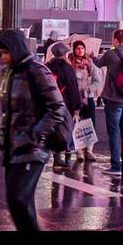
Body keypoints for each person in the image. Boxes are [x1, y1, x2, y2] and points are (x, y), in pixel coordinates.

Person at [0, 29, 67, 231]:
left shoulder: (37, 70)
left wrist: (36, 134)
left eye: (6, 52)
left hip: (32, 148)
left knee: (19, 199)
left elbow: (57, 107)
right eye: (1, 53)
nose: (3, 57)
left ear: (15, 49)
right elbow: (9, 111)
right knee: (18, 202)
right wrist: (3, 136)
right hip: (14, 147)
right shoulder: (10, 73)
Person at [96, 29, 123, 183]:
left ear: (115, 40)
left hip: (113, 99)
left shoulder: (111, 54)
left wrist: (90, 56)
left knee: (114, 132)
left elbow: (97, 63)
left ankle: (115, 166)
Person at [46, 42, 82, 171]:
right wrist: (76, 107)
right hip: (65, 105)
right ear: (64, 54)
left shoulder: (47, 67)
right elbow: (73, 89)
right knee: (68, 130)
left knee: (55, 131)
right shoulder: (67, 68)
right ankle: (67, 160)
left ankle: (57, 158)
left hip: (50, 105)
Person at [70, 40, 101, 162]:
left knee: (90, 124)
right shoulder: (70, 63)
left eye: (82, 48)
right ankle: (79, 151)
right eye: (78, 48)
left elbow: (97, 80)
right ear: (74, 50)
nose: (80, 50)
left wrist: (89, 90)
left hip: (88, 98)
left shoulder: (89, 63)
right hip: (75, 99)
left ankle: (89, 150)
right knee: (76, 124)